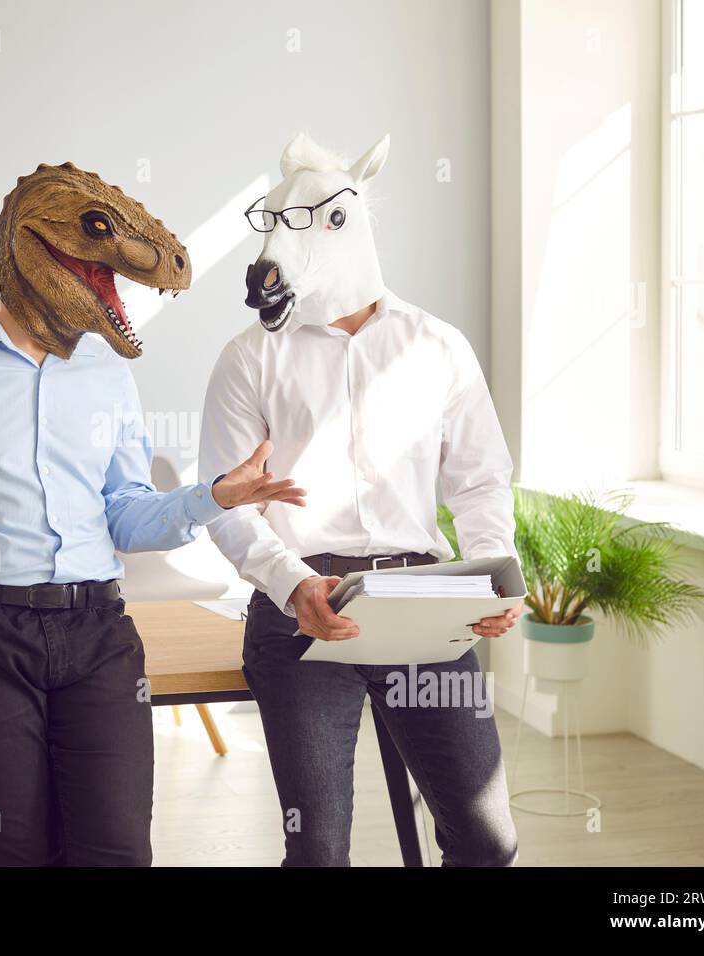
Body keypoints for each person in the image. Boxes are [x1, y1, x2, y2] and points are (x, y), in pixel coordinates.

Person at [0, 161, 304, 866]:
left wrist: (209, 498)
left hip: (98, 634)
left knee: (118, 854)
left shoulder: (107, 374)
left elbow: (124, 515)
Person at [200, 133, 520, 866]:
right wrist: (293, 585)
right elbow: (225, 503)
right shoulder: (249, 357)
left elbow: (478, 478)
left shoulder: (438, 347)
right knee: (315, 851)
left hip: (425, 603)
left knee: (488, 840)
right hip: (303, 613)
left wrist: (496, 567)